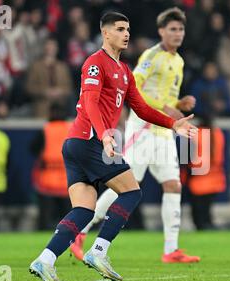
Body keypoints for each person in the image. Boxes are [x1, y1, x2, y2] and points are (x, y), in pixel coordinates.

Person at [29, 12, 197, 281]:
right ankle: (99, 250)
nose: (126, 34)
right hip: (88, 140)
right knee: (131, 192)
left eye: (128, 29)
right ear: (105, 33)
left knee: (84, 210)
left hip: (77, 144)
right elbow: (91, 102)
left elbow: (141, 108)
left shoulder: (124, 71)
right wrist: (105, 136)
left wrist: (172, 124)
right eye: (120, 29)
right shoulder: (95, 63)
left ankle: (45, 260)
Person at [69, 7, 200, 264]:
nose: (177, 33)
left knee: (173, 184)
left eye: (181, 29)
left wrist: (179, 104)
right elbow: (136, 90)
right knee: (126, 186)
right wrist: (165, 108)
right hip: (143, 129)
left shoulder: (179, 61)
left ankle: (171, 249)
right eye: (172, 29)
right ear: (161, 31)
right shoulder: (152, 56)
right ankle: (80, 232)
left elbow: (164, 97)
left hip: (162, 132)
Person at [30, 104, 71, 230]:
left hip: (48, 179)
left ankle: (44, 241)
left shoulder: (46, 129)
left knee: (45, 217)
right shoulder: (71, 128)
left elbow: (32, 149)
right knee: (68, 217)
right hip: (67, 179)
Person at [187, 115, 226, 230]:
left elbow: (188, 158)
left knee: (199, 215)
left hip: (198, 180)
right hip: (215, 178)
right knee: (207, 210)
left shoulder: (196, 135)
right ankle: (209, 227)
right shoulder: (218, 134)